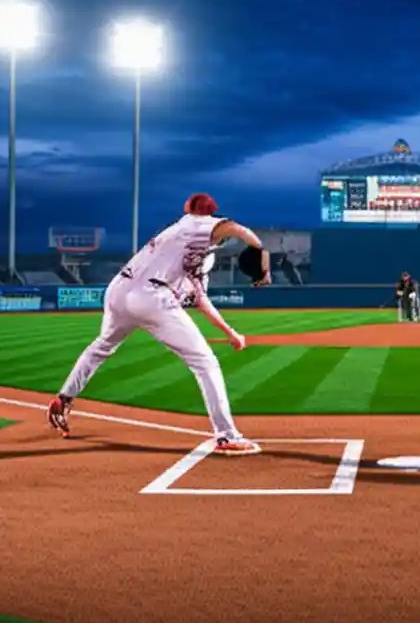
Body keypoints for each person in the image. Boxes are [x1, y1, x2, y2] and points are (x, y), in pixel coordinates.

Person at [47, 192, 270, 455]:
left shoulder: (178, 240)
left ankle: (64, 399)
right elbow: (234, 228)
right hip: (151, 296)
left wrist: (230, 332)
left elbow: (199, 298)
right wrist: (261, 253)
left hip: (119, 291)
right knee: (204, 362)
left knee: (102, 346)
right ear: (206, 213)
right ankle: (226, 435)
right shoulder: (195, 224)